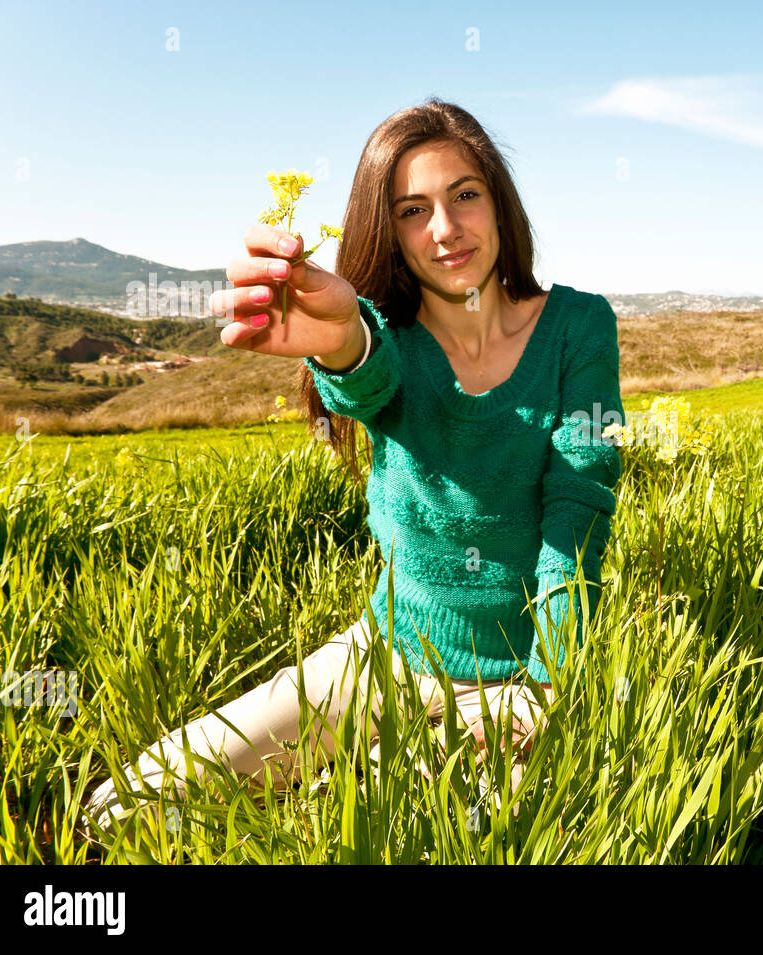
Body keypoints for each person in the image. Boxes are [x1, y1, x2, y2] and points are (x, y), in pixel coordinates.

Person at [83, 98, 624, 838]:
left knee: (430, 831)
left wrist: (547, 683)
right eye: (412, 210)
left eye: (464, 194)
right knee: (125, 802)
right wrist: (341, 340)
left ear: (499, 202)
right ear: (390, 233)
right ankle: (358, 752)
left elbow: (579, 501)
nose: (445, 228)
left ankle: (371, 769)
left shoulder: (580, 325)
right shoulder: (389, 335)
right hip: (384, 655)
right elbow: (367, 372)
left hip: (516, 679)